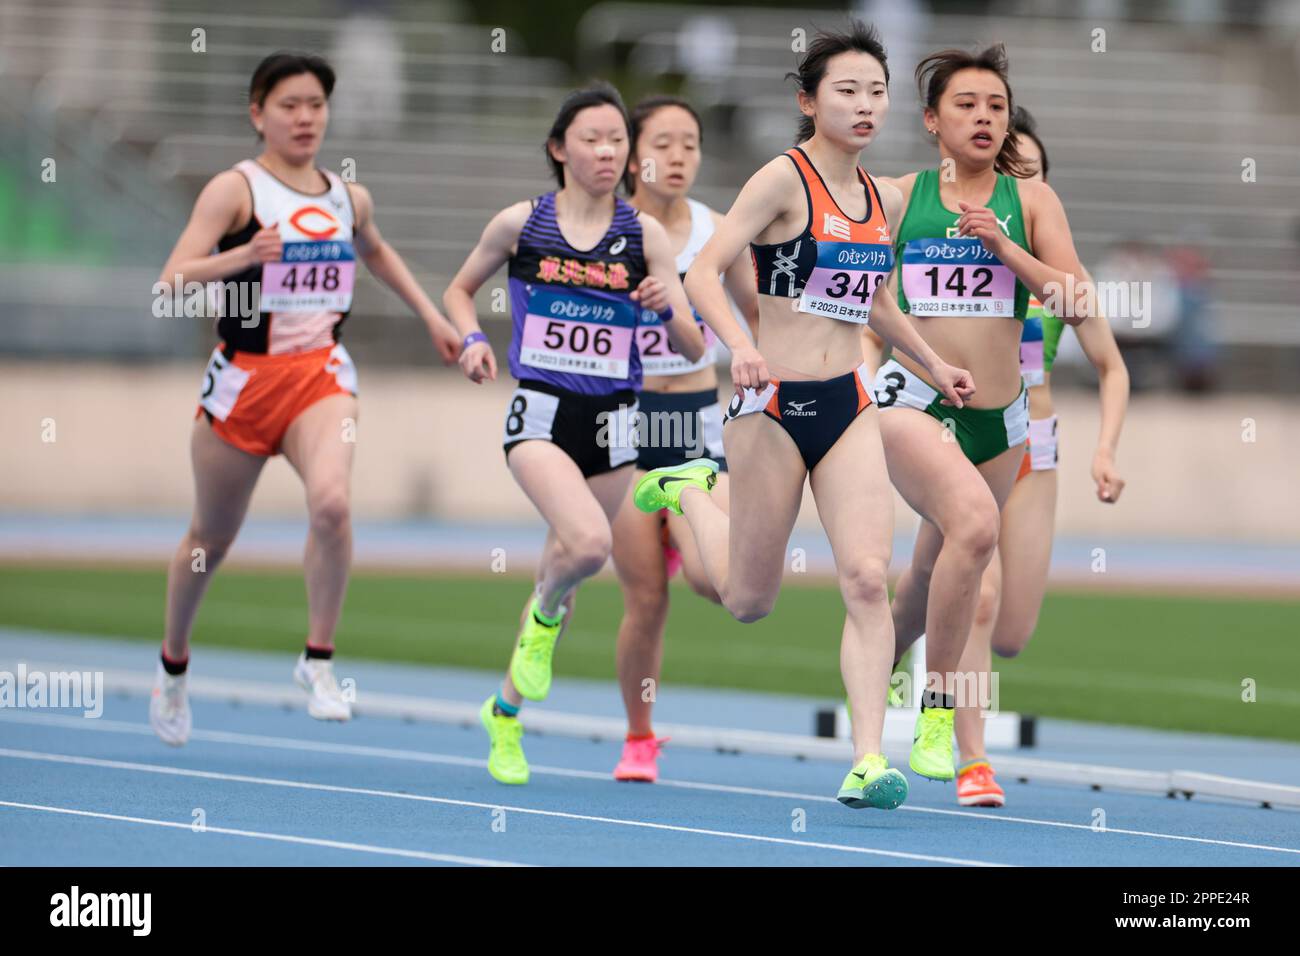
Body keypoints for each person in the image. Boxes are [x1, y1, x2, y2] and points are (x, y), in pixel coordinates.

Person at [634, 22, 975, 810]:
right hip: (769, 406)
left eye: (876, 91)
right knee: (749, 601)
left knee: (865, 576)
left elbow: (877, 300)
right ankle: (688, 487)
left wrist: (933, 364)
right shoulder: (781, 181)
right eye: (846, 90)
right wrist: (738, 347)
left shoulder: (880, 195)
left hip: (849, 402)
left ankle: (864, 760)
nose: (864, 105)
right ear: (808, 100)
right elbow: (707, 275)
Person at [150, 51, 460, 746]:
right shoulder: (236, 190)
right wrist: (242, 258)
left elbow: (376, 252)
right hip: (242, 381)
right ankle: (173, 665)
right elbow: (170, 280)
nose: (304, 117)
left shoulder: (348, 197)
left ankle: (318, 661)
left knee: (332, 503)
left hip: (320, 374)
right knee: (210, 539)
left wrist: (435, 319)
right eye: (288, 104)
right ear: (258, 113)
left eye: (315, 104)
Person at [442, 83, 705, 785]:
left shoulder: (644, 236)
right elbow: (458, 288)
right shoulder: (522, 225)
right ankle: (548, 617)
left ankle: (504, 712)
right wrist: (469, 339)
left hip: (617, 421)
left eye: (618, 139)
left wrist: (665, 305)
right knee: (588, 547)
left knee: (566, 558)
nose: (607, 150)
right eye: (592, 137)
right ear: (560, 148)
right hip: (542, 412)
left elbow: (690, 343)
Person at [870, 45, 1093, 783]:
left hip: (1001, 420)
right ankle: (940, 713)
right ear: (933, 121)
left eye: (996, 106)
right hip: (917, 397)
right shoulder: (902, 197)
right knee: (974, 528)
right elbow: (853, 294)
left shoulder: (1031, 202)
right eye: (967, 105)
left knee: (934, 567)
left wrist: (1006, 248)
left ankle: (889, 653)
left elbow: (1075, 301)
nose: (985, 118)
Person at [950, 106, 1129, 806]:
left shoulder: (1063, 279)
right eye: (1005, 171)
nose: (1015, 183)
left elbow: (1112, 366)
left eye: (1028, 173)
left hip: (1038, 450)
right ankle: (972, 758)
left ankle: (934, 629)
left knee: (1012, 632)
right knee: (982, 594)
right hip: (966, 438)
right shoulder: (948, 254)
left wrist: (1106, 449)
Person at [608, 95, 760, 783]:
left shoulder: (719, 229)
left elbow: (758, 316)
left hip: (697, 423)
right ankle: (639, 737)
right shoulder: (600, 230)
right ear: (632, 153)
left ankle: (681, 507)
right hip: (623, 422)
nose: (677, 157)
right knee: (645, 599)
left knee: (715, 580)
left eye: (690, 144)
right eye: (662, 143)